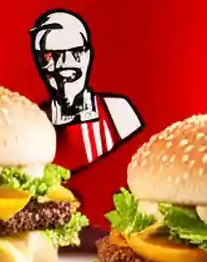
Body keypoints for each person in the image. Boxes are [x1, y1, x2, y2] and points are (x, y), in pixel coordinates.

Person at [29, 10, 142, 171]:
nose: (64, 65)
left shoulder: (117, 112)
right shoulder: (32, 121)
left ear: (88, 55)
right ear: (38, 61)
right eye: (50, 56)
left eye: (76, 53)